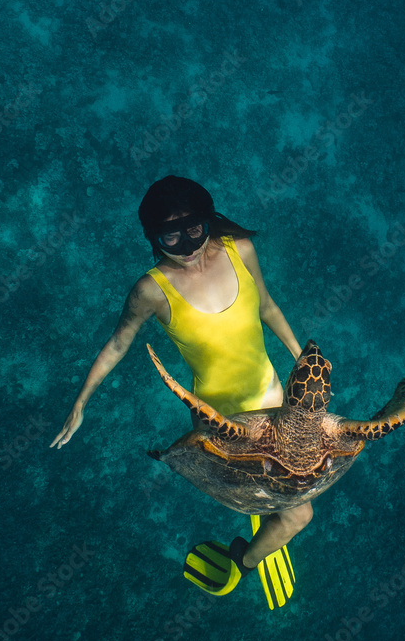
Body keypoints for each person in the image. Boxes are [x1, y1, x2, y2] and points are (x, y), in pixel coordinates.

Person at [51, 174, 311, 580]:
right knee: (300, 516)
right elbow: (118, 344)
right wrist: (80, 402)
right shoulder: (151, 291)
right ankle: (242, 563)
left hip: (275, 401)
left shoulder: (241, 250)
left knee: (289, 498)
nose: (187, 248)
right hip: (220, 421)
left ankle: (262, 508)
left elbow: (267, 306)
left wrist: (303, 360)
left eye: (194, 231)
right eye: (171, 238)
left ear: (208, 221)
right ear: (152, 237)